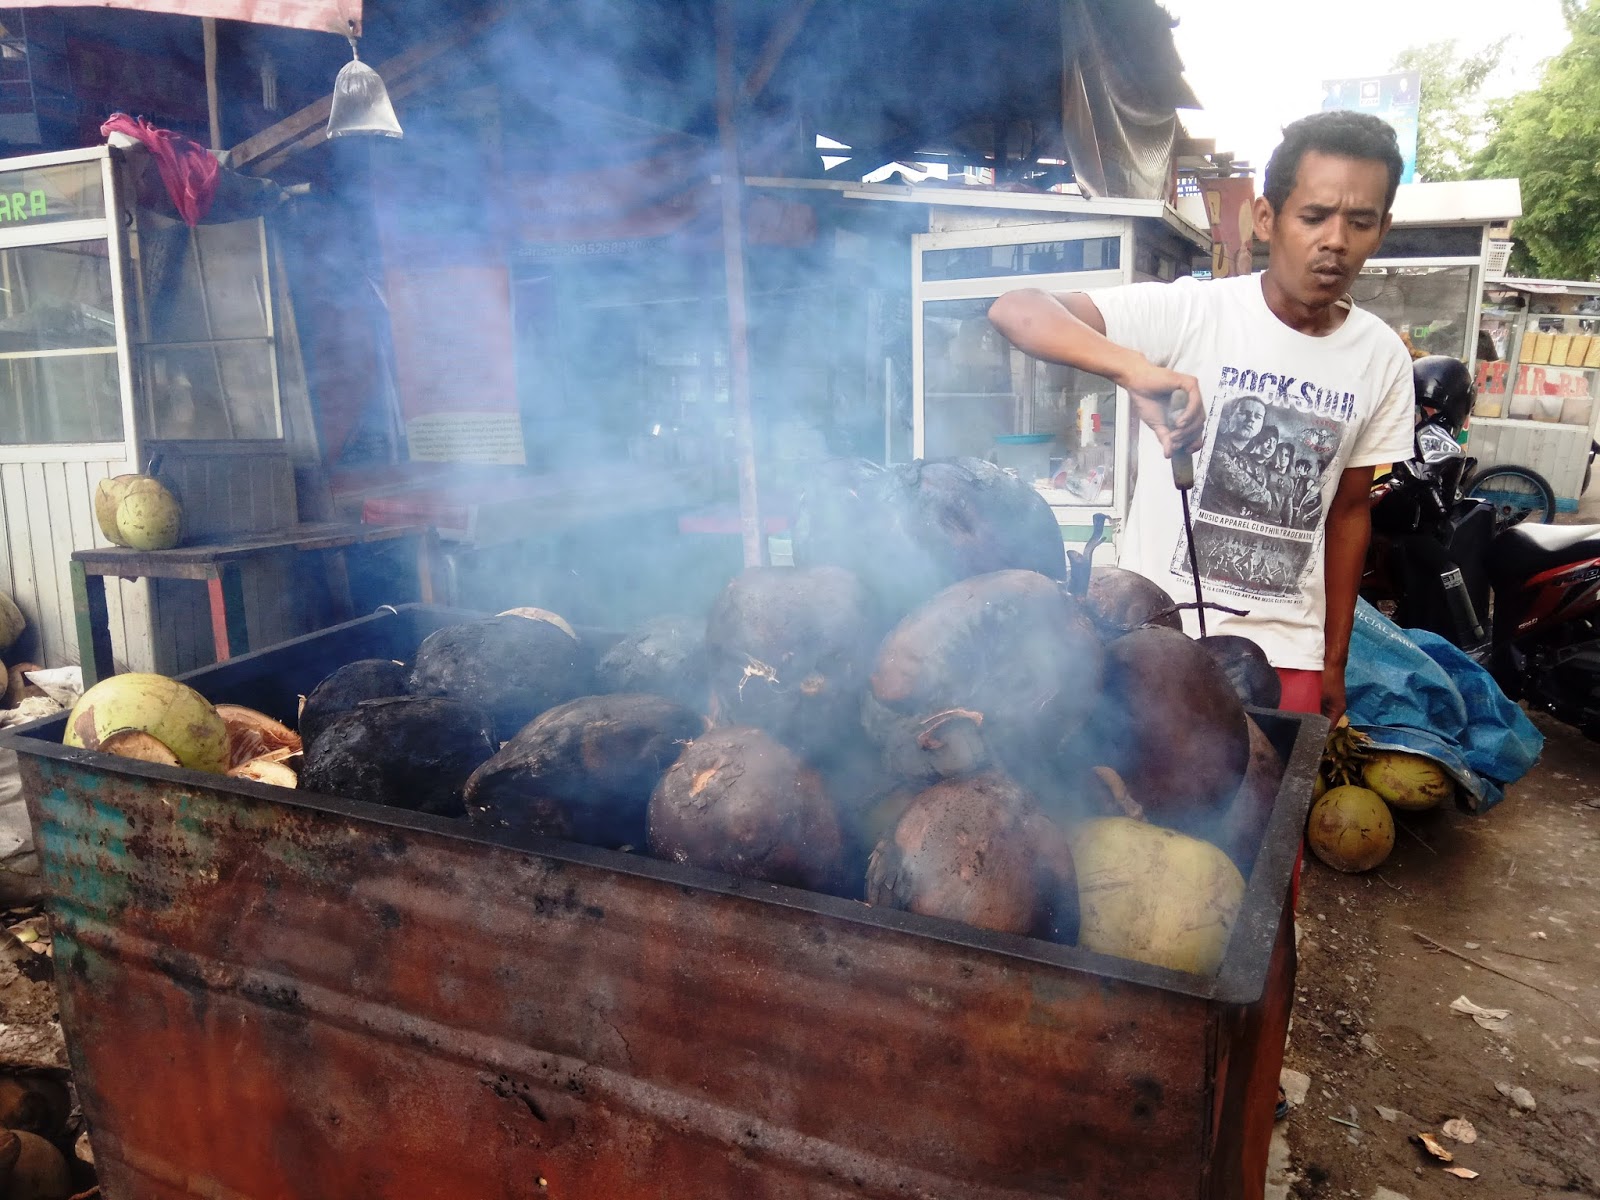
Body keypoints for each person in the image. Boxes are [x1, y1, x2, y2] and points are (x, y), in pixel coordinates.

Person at [988, 110, 1415, 724]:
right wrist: (1132, 368)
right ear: (1267, 218)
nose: (1336, 240)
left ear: (1382, 230)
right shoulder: (1195, 312)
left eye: (1360, 222)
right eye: (1314, 216)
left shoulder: (1381, 357)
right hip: (1152, 640)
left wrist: (1334, 662)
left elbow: (1349, 513)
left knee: (1278, 787)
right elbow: (1016, 309)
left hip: (1288, 655)